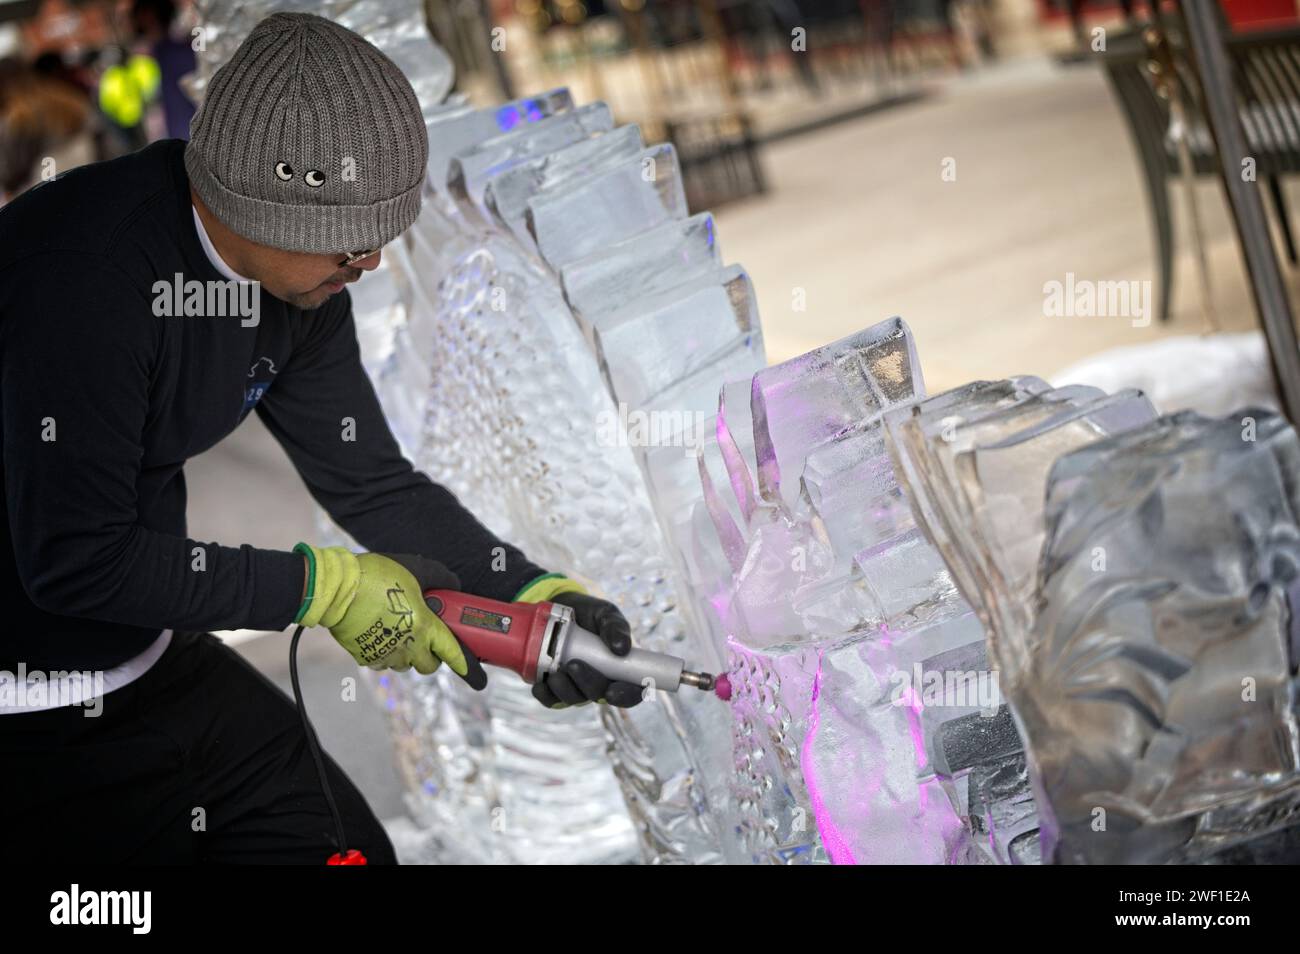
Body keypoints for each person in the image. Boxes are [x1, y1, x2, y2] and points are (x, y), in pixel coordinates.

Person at [0, 12, 642, 864]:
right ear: (248, 203)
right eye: (346, 240)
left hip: (152, 663)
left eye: (381, 234)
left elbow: (372, 483)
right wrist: (322, 591)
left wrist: (532, 595)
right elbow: (78, 559)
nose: (367, 263)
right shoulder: (85, 282)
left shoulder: (303, 288)